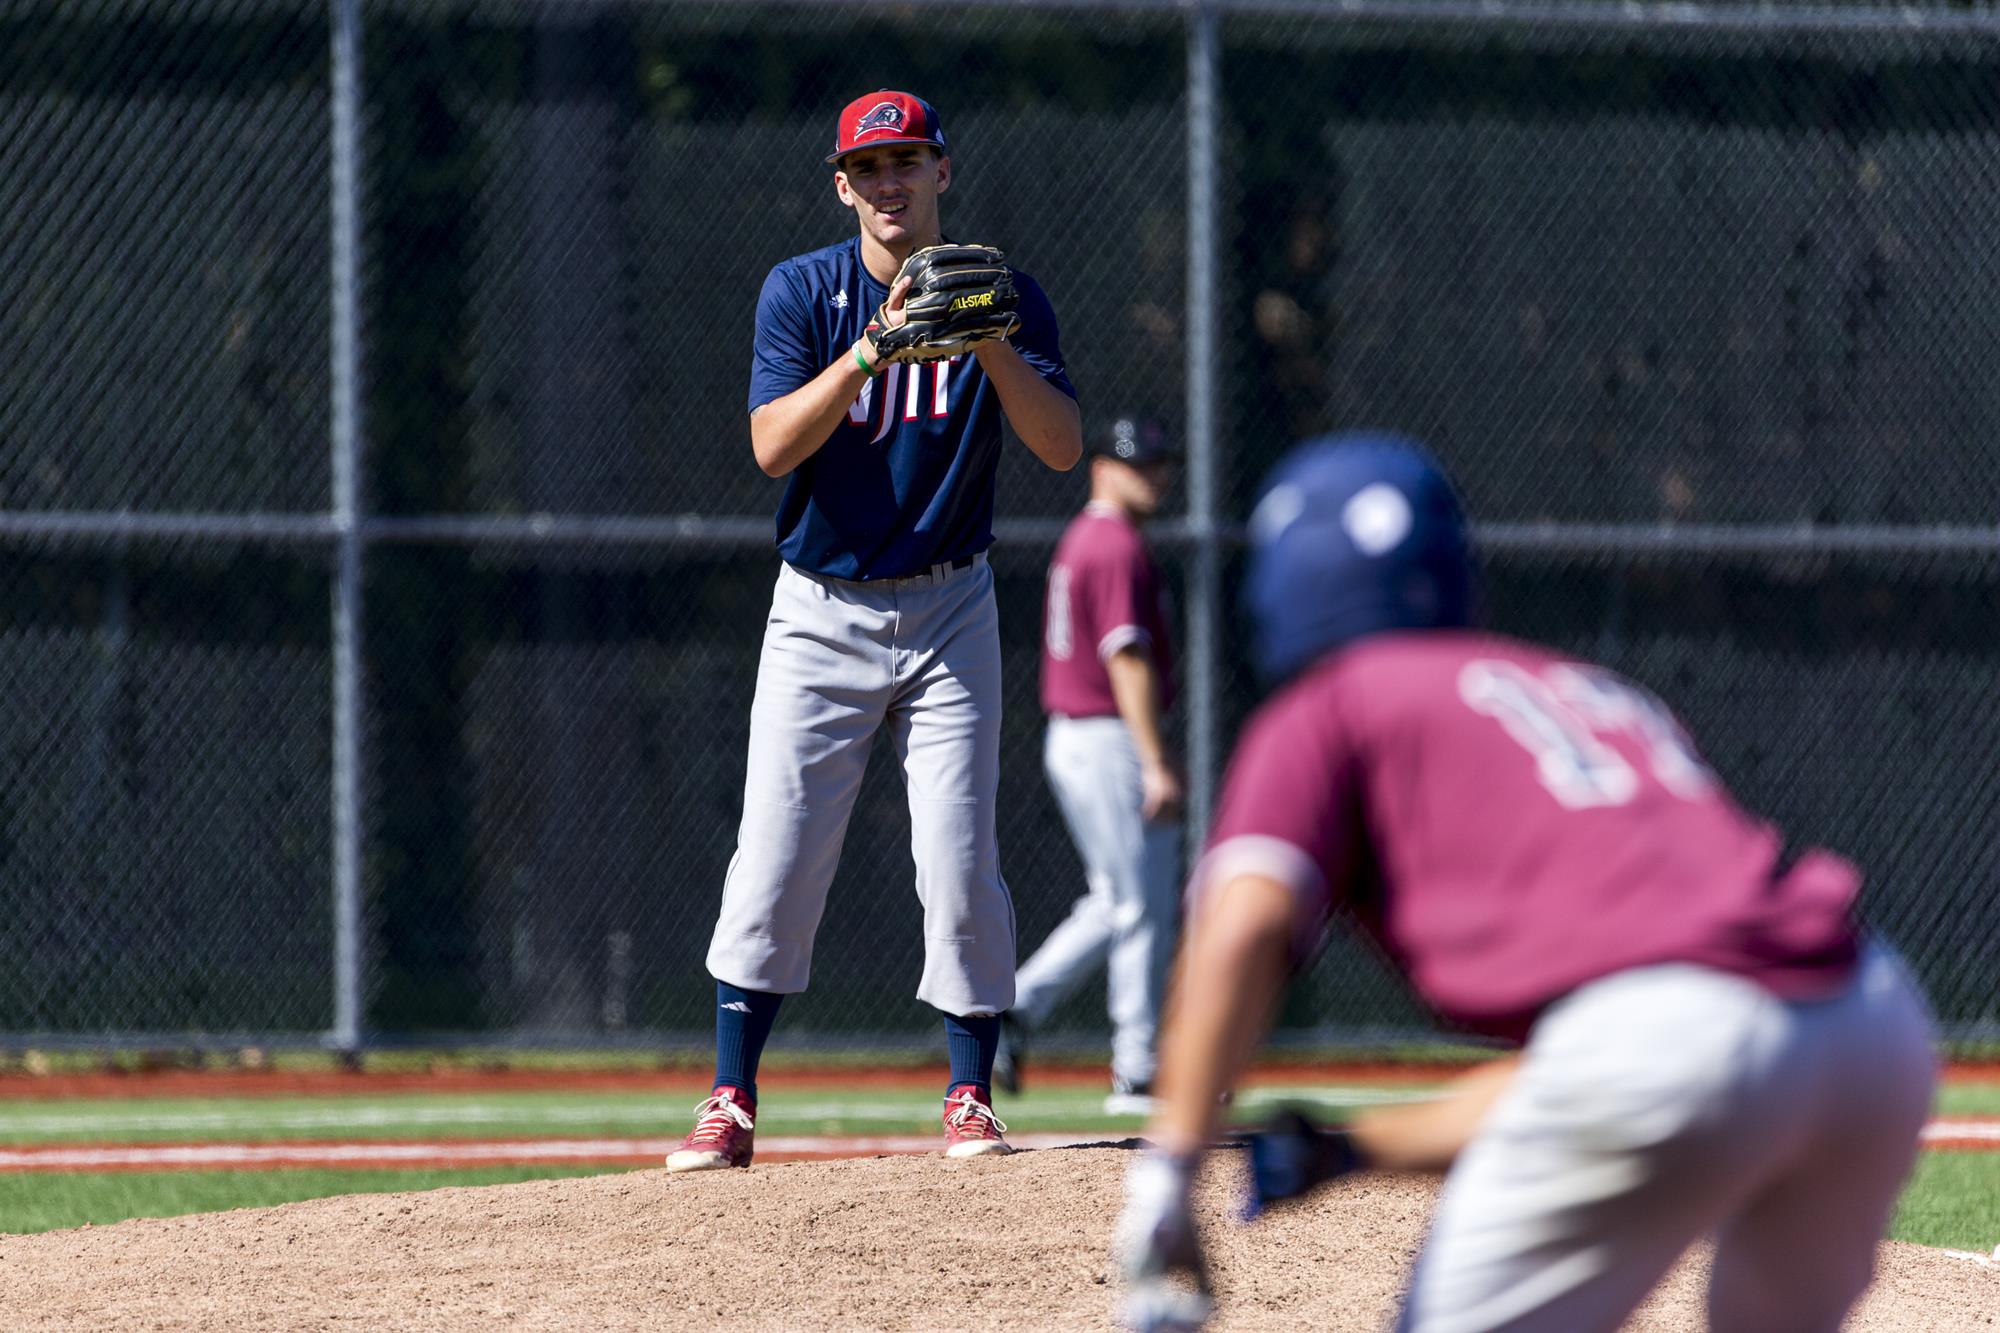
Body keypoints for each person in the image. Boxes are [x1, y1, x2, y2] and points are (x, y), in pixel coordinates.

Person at [1113, 433, 1936, 1331]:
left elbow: (1240, 930)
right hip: (1872, 1024)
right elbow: (1614, 1061)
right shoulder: (1579, 684)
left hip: (1679, 1043)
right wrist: (1350, 1148)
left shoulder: (1327, 704)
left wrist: (1168, 1172)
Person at [667, 90, 1082, 1173]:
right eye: (869, 166)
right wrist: (872, 351)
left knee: (956, 853)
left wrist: (985, 340)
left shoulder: (1006, 292)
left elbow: (1058, 447)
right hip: (821, 607)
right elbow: (769, 447)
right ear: (839, 183)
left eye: (907, 161)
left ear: (943, 170)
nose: (888, 182)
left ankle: (968, 1092)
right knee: (775, 853)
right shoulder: (803, 290)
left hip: (950, 602)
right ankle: (729, 1094)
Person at [996, 416, 1184, 1116]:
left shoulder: (1092, 538)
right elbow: (1124, 657)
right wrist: (1155, 759)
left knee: (1118, 898)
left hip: (1084, 733)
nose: (1156, 475)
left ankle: (1013, 1008)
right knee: (1139, 903)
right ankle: (1137, 1068)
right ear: (1102, 466)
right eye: (1142, 463)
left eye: (1162, 463)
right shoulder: (1112, 544)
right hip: (1106, 734)